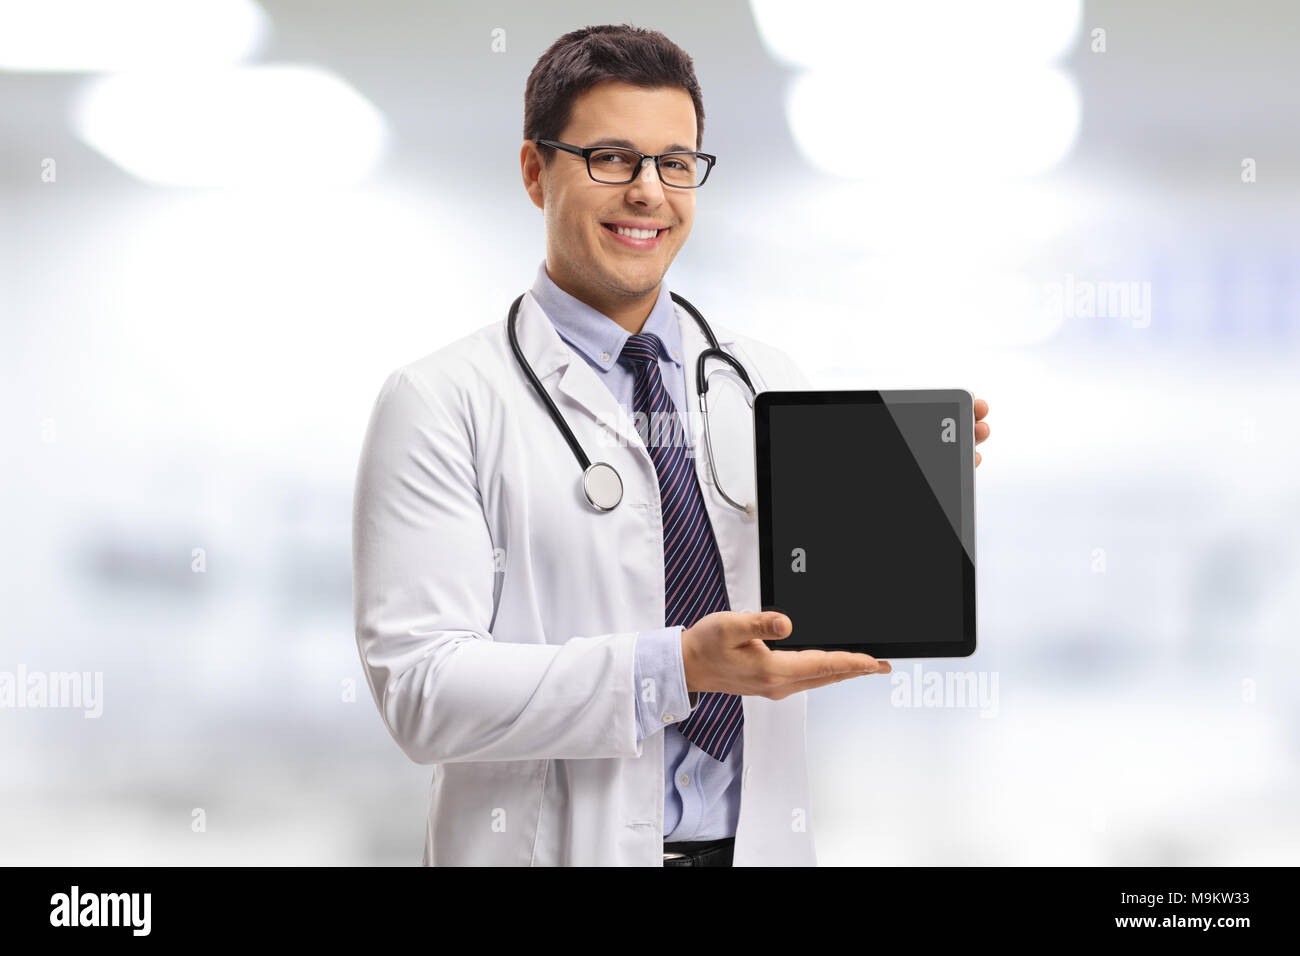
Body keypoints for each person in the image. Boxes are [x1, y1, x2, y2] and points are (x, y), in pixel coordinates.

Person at [351, 24, 992, 867]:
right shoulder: (440, 402)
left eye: (675, 162)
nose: (648, 191)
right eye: (611, 157)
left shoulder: (764, 379)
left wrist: (892, 512)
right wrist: (675, 667)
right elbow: (424, 693)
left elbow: (804, 605)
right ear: (535, 171)